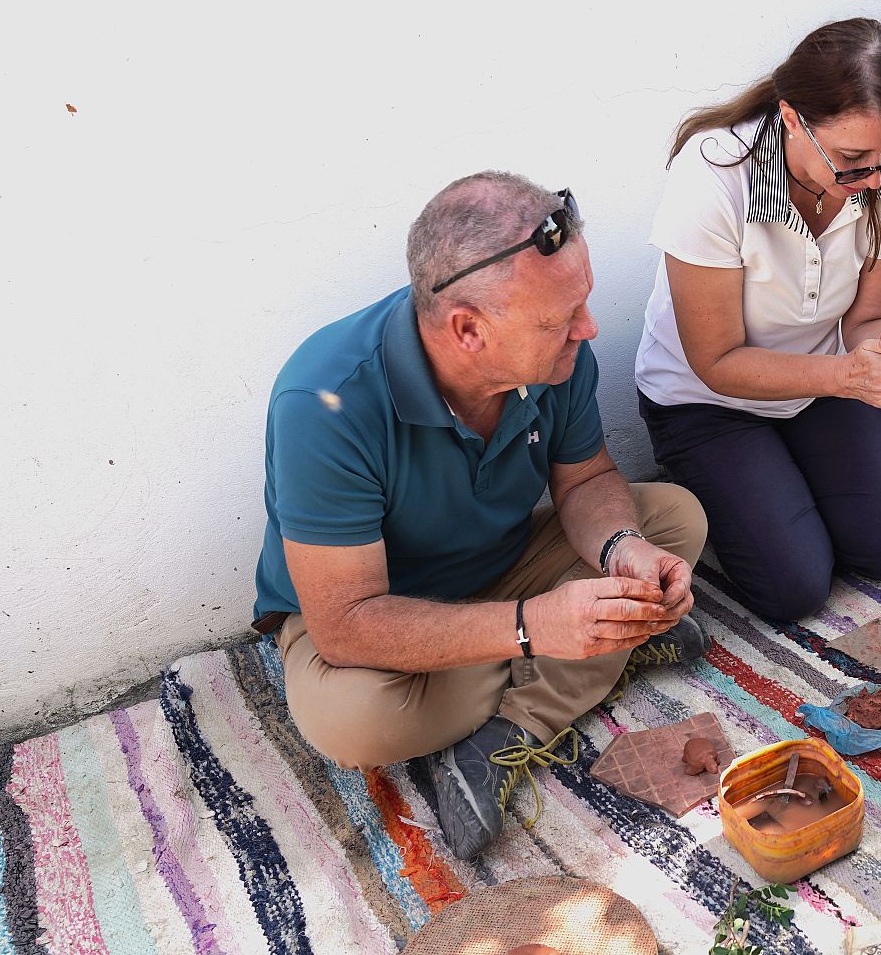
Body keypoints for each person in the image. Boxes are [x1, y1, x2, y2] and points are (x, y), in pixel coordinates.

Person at [253, 172, 709, 859]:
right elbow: (345, 625)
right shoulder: (325, 401)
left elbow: (586, 479)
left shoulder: (560, 358)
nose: (587, 329)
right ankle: (598, 653)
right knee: (353, 722)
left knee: (675, 519)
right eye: (560, 320)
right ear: (468, 329)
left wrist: (624, 551)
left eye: (579, 306)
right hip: (370, 618)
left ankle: (507, 732)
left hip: (504, 568)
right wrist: (537, 628)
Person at [635, 18, 881, 622]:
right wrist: (848, 378)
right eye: (852, 157)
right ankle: (738, 475)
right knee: (794, 589)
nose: (874, 175)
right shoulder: (713, 175)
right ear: (790, 118)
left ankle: (783, 474)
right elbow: (715, 361)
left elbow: (875, 313)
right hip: (707, 401)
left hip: (825, 382)